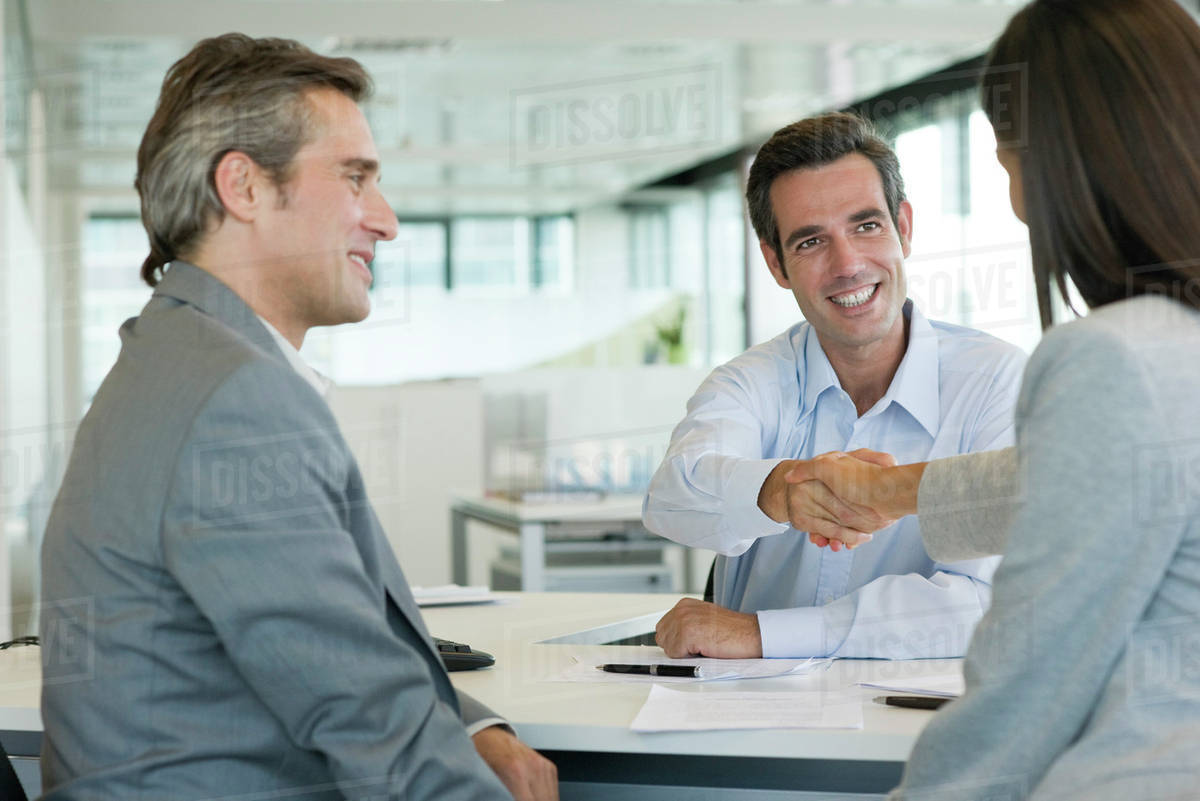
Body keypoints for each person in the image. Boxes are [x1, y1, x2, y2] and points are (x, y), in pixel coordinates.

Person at [38, 34, 556, 801]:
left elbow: (327, 647)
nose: (385, 220)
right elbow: (367, 717)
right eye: (354, 178)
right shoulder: (233, 400)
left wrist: (470, 724)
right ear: (243, 187)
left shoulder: (178, 357)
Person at [821, 1, 1200, 798]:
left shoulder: (1114, 355)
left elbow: (1031, 679)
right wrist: (891, 490)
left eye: (1007, 165)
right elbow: (1096, 482)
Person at [642, 112, 1027, 660]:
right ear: (776, 263)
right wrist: (780, 489)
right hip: (745, 719)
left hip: (913, 726)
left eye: (866, 226)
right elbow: (673, 495)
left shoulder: (996, 383)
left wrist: (763, 635)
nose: (847, 264)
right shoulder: (753, 380)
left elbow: (988, 605)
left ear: (905, 228)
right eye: (810, 242)